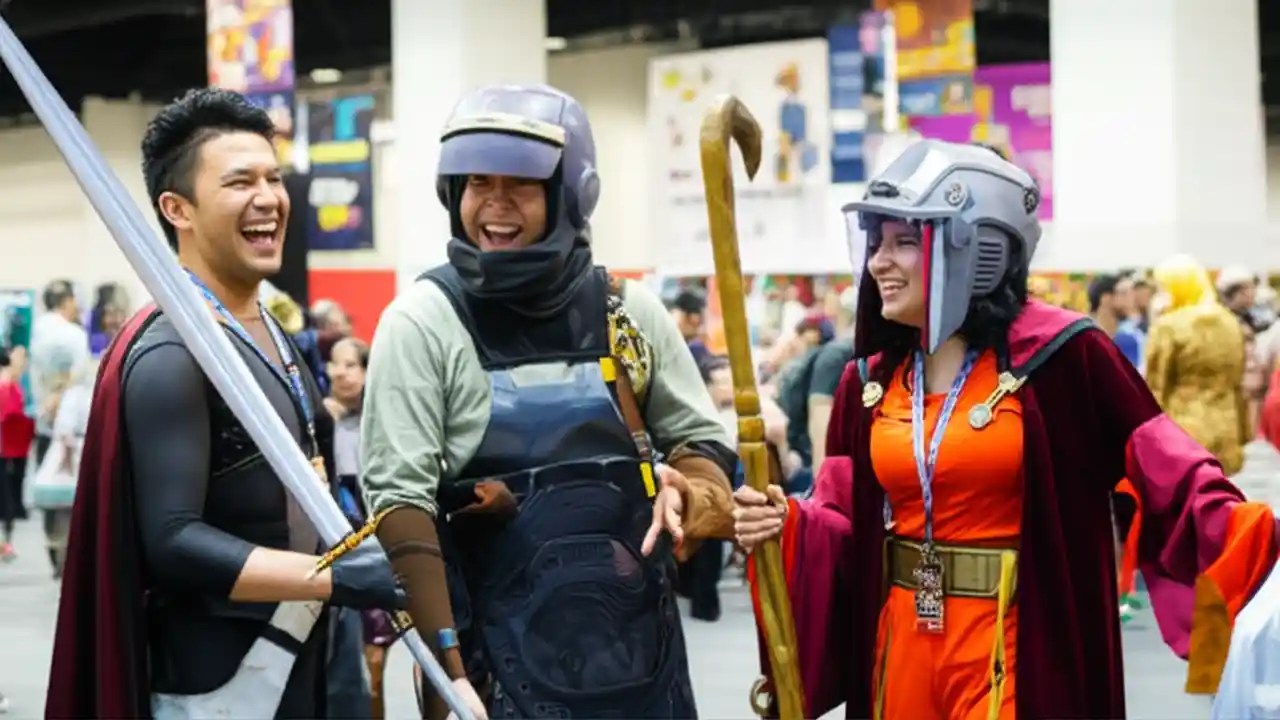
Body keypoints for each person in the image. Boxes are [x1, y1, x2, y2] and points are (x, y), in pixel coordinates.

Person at [733, 140, 1278, 717]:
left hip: (1012, 639)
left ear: (976, 246)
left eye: (902, 243)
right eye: (876, 243)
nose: (877, 263)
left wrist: (1250, 536)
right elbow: (843, 514)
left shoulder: (1065, 356)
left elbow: (1168, 467)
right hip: (902, 639)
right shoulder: (869, 380)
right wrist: (786, 522)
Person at [359, 84, 738, 720]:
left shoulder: (627, 311)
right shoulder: (422, 324)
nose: (494, 205)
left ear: (570, 194)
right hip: (488, 673)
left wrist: (691, 492)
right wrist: (450, 674)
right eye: (478, 182)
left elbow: (702, 442)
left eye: (521, 186)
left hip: (641, 664)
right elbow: (401, 505)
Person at [45, 87, 404, 719]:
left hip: (310, 668)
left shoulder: (273, 335)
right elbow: (174, 540)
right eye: (240, 182)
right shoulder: (171, 354)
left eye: (273, 177)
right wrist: (334, 579)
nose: (268, 197)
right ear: (177, 208)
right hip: (221, 687)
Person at [1145, 255, 1249, 476]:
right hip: (1226, 428)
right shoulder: (1230, 322)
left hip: (1183, 432)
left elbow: (1156, 385)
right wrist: (1244, 433)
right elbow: (1238, 381)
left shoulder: (1169, 326)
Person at [0, 345, 34, 561]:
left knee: (8, 496)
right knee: (6, 496)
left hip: (12, 445)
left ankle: (5, 542)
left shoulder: (13, 382)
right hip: (7, 445)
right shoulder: (6, 382)